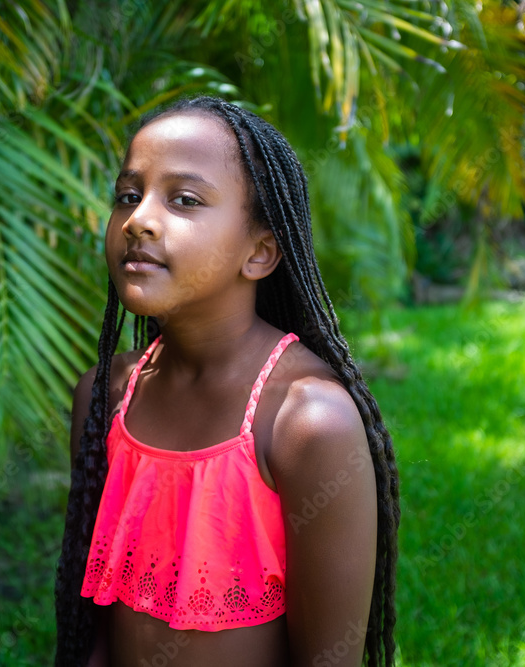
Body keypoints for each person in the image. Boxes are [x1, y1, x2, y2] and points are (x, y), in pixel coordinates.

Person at [54, 95, 399, 667]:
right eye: (128, 196)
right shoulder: (106, 398)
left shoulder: (306, 424)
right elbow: (91, 631)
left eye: (184, 200)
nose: (139, 219)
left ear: (260, 252)